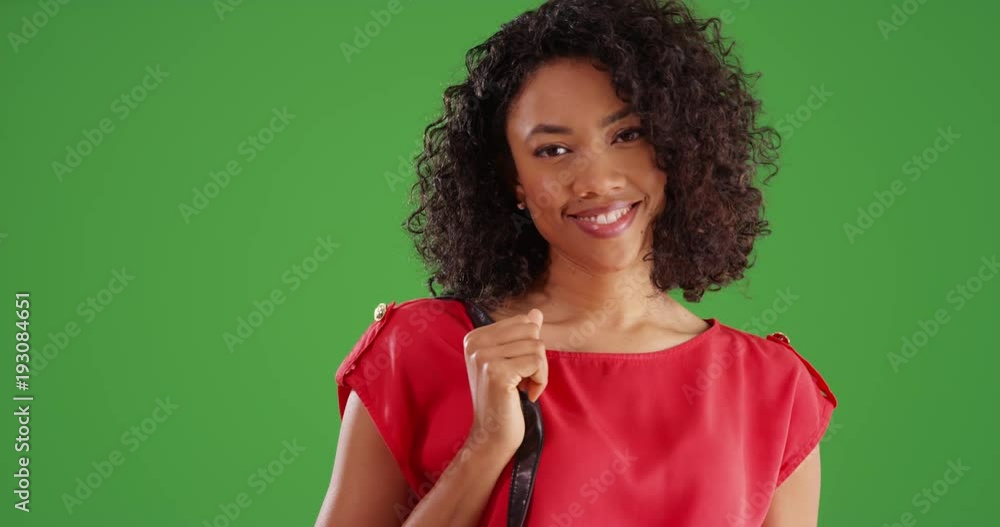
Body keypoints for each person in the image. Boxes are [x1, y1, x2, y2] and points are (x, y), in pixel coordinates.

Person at [314, 0, 838, 525]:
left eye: (626, 135)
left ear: (679, 146)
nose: (596, 182)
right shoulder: (420, 349)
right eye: (553, 151)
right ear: (513, 179)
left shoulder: (773, 388)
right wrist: (487, 445)